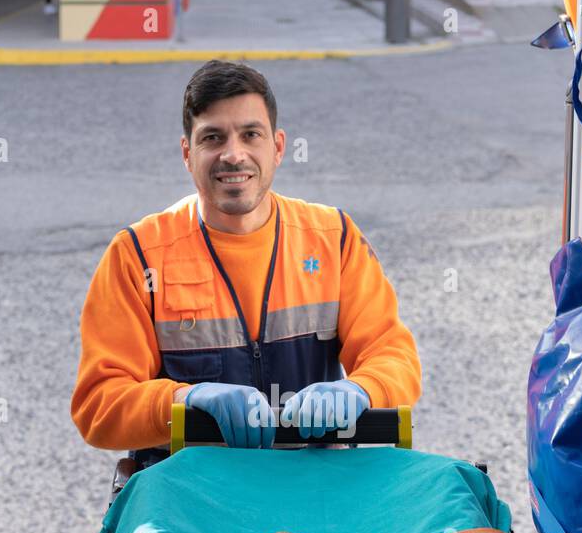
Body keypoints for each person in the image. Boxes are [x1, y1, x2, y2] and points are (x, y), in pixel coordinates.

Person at [71, 60, 420, 461]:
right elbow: (98, 404)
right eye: (212, 138)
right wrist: (185, 399)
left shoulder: (333, 239)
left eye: (250, 134)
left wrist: (362, 389)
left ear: (277, 147)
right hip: (191, 497)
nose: (233, 155)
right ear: (188, 153)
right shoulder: (137, 255)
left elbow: (393, 355)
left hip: (315, 486)